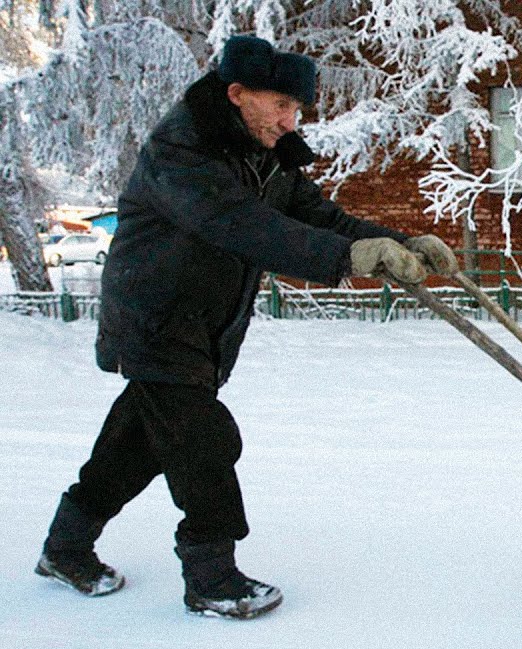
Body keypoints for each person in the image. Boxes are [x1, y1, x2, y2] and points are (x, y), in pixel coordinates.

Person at [34, 35, 457, 619]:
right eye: (281, 105)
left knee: (133, 448)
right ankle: (212, 578)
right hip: (155, 321)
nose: (290, 122)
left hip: (206, 326)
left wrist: (400, 242)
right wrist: (347, 259)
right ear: (237, 94)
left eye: (296, 109)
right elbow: (243, 225)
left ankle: (64, 548)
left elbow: (318, 217)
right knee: (206, 444)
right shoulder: (181, 151)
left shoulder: (263, 152)